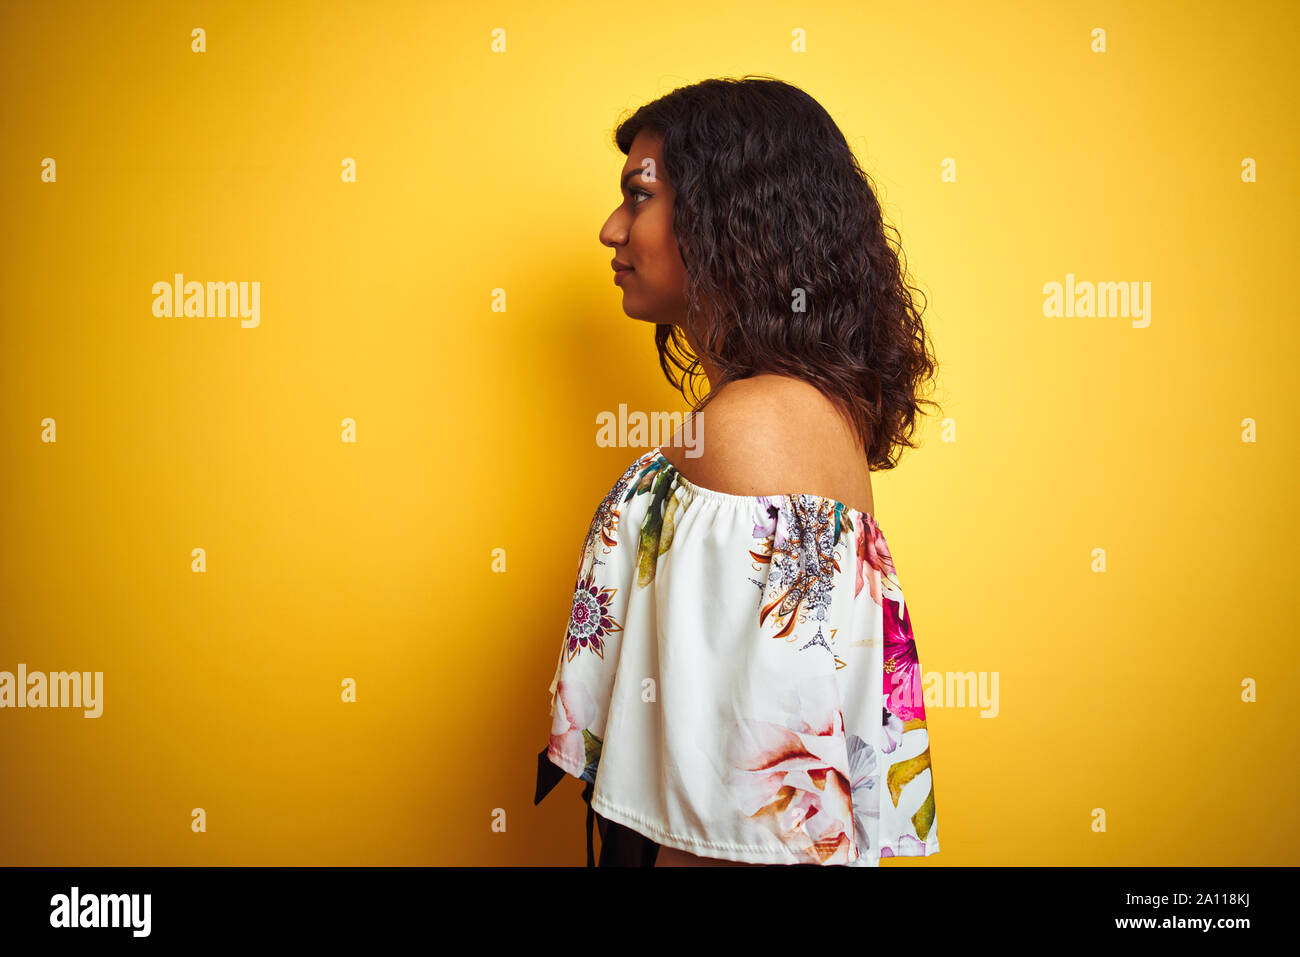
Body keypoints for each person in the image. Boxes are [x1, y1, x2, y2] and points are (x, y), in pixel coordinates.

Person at [534, 75, 943, 867]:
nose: (610, 229)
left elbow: (747, 822)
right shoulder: (803, 413)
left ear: (730, 213)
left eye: (640, 196)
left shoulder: (754, 428)